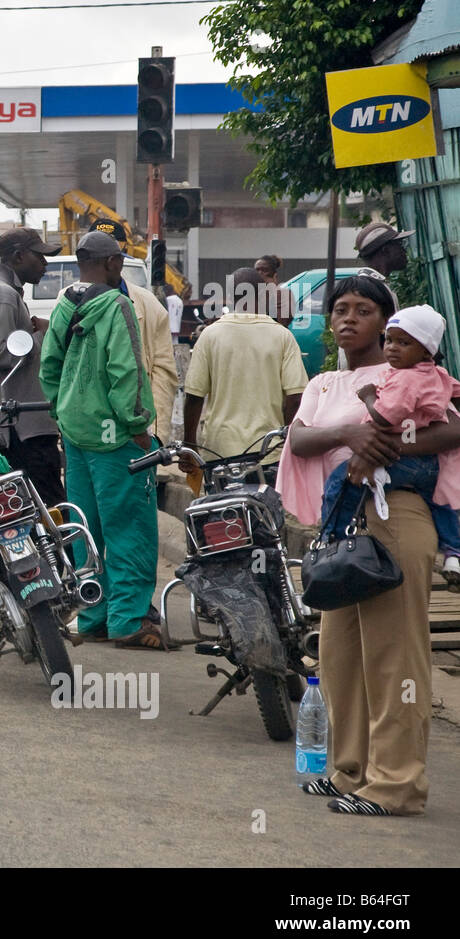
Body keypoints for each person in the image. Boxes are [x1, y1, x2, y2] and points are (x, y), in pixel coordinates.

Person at [276, 273, 460, 815]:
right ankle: (349, 769)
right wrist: (349, 435)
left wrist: (382, 449)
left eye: (362, 310)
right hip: (342, 529)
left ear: (388, 322)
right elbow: (300, 437)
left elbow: (452, 429)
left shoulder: (409, 369)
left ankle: (396, 783)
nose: (347, 318)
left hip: (393, 517)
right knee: (339, 655)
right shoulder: (324, 383)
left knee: (392, 655)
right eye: (339, 309)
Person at [39, 230, 160, 648]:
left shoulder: (64, 303)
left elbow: (49, 366)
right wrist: (139, 424)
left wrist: (63, 410)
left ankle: (92, 615)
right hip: (117, 438)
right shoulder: (117, 303)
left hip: (75, 434)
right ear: (112, 264)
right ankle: (128, 620)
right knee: (128, 527)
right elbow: (126, 371)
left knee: (83, 528)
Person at [318, 305, 460, 589]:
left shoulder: (406, 378)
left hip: (398, 460)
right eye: (391, 340)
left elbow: (384, 417)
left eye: (404, 343)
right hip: (429, 461)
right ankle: (454, 553)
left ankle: (330, 539)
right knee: (439, 503)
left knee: (341, 484)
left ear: (425, 350)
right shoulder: (436, 373)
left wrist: (370, 396)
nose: (393, 348)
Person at [0, 227, 65, 505]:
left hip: (20, 422)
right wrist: (42, 336)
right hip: (20, 427)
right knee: (51, 508)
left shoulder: (5, 292)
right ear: (19, 256)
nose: (44, 264)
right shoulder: (3, 295)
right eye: (39, 257)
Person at [182, 268, 307, 467]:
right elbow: (296, 397)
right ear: (265, 294)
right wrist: (285, 438)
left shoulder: (209, 335)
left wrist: (189, 445)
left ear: (230, 296)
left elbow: (194, 397)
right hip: (268, 453)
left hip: (219, 451)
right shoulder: (282, 336)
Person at [92, 219, 177, 446]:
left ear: (122, 256)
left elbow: (163, 372)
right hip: (85, 429)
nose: (106, 263)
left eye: (111, 254)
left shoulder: (148, 304)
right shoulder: (67, 301)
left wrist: (155, 432)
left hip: (133, 432)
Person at [254, 254, 296, 326]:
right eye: (257, 270)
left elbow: (284, 323)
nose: (260, 273)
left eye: (264, 270)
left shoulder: (283, 294)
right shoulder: (253, 294)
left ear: (274, 275)